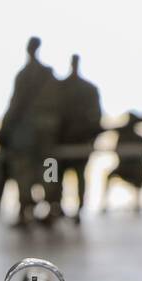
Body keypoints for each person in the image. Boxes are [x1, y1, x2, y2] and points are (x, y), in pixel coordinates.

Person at [0, 37, 59, 226]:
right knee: (49, 168)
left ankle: (26, 209)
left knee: (24, 171)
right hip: (47, 132)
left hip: (26, 132)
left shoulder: (24, 75)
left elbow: (15, 104)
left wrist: (4, 129)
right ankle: (51, 206)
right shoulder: (48, 75)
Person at [56, 54, 102, 222]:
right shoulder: (63, 88)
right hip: (61, 142)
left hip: (76, 141)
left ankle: (74, 207)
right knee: (52, 172)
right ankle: (54, 204)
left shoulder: (70, 88)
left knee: (75, 175)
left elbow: (96, 116)